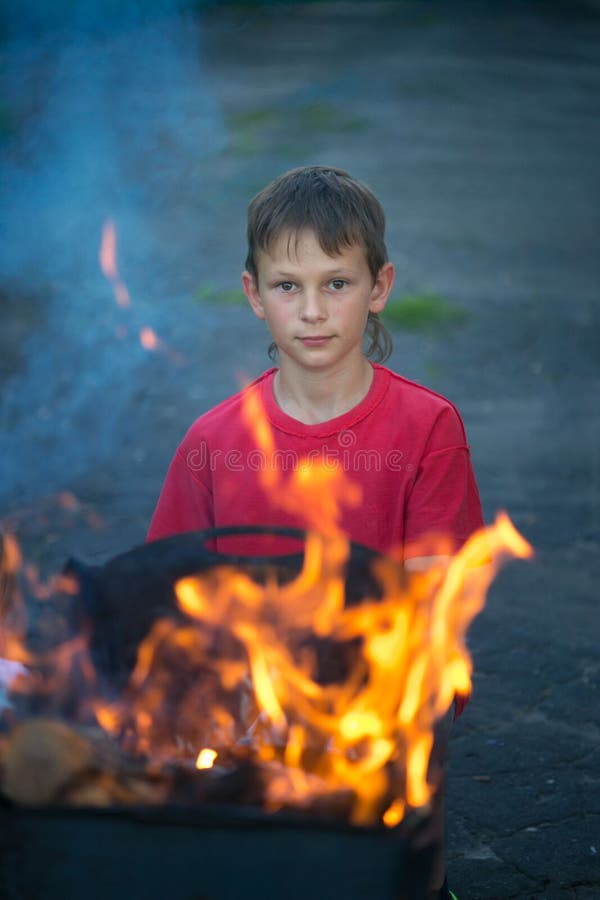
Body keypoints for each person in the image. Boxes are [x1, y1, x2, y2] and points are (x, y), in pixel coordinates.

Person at [148, 165, 480, 899]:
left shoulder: (428, 429)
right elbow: (167, 600)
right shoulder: (212, 440)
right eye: (287, 286)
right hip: (243, 721)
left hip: (378, 721)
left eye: (337, 283)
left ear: (380, 287)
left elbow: (436, 606)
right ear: (253, 296)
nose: (314, 311)